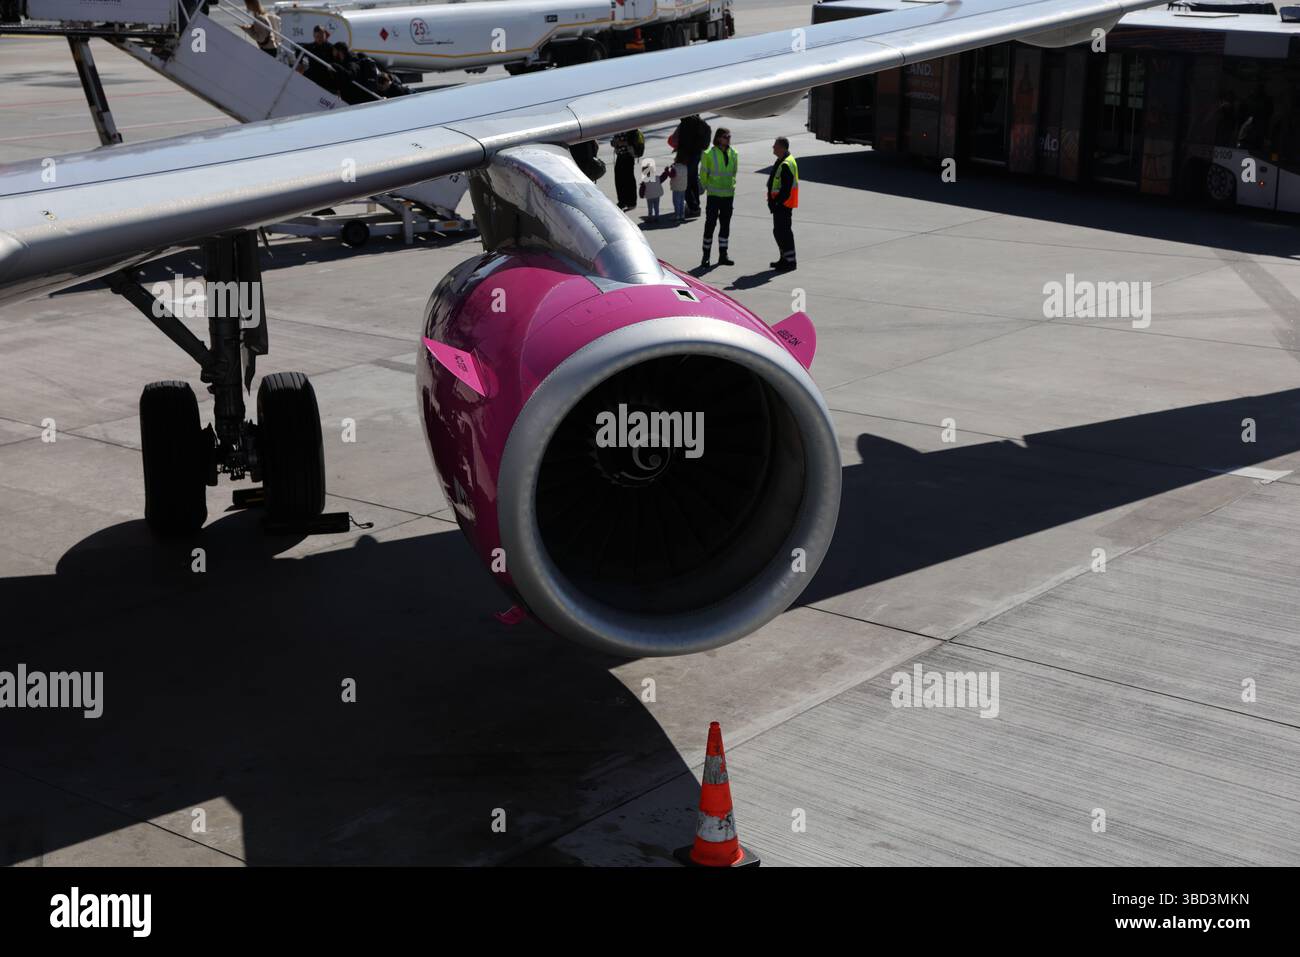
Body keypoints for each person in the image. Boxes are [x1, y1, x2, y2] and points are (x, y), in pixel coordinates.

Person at [698, 127, 737, 268]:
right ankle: (706, 256)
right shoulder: (709, 154)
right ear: (719, 138)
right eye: (726, 137)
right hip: (714, 196)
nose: (728, 139)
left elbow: (734, 172)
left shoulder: (734, 153)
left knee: (725, 226)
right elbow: (703, 174)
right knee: (710, 225)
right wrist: (706, 187)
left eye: (729, 136)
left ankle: (723, 255)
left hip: (728, 196)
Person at [767, 136, 799, 272]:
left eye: (775, 145)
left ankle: (790, 262)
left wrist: (777, 202)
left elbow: (786, 189)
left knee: (783, 232)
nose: (773, 147)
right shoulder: (782, 160)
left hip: (783, 205)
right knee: (779, 232)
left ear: (781, 147)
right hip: (780, 205)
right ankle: (784, 258)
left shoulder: (786, 164)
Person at [671, 114, 710, 217]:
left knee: (686, 182)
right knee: (693, 179)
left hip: (685, 156)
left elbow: (675, 139)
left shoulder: (685, 123)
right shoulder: (702, 123)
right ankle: (695, 205)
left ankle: (693, 207)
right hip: (697, 154)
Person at [611, 131, 639, 211]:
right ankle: (622, 201)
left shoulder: (630, 128)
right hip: (620, 156)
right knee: (619, 179)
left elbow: (632, 141)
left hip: (628, 156)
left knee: (629, 179)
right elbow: (614, 141)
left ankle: (631, 202)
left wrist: (621, 143)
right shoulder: (617, 129)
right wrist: (614, 143)